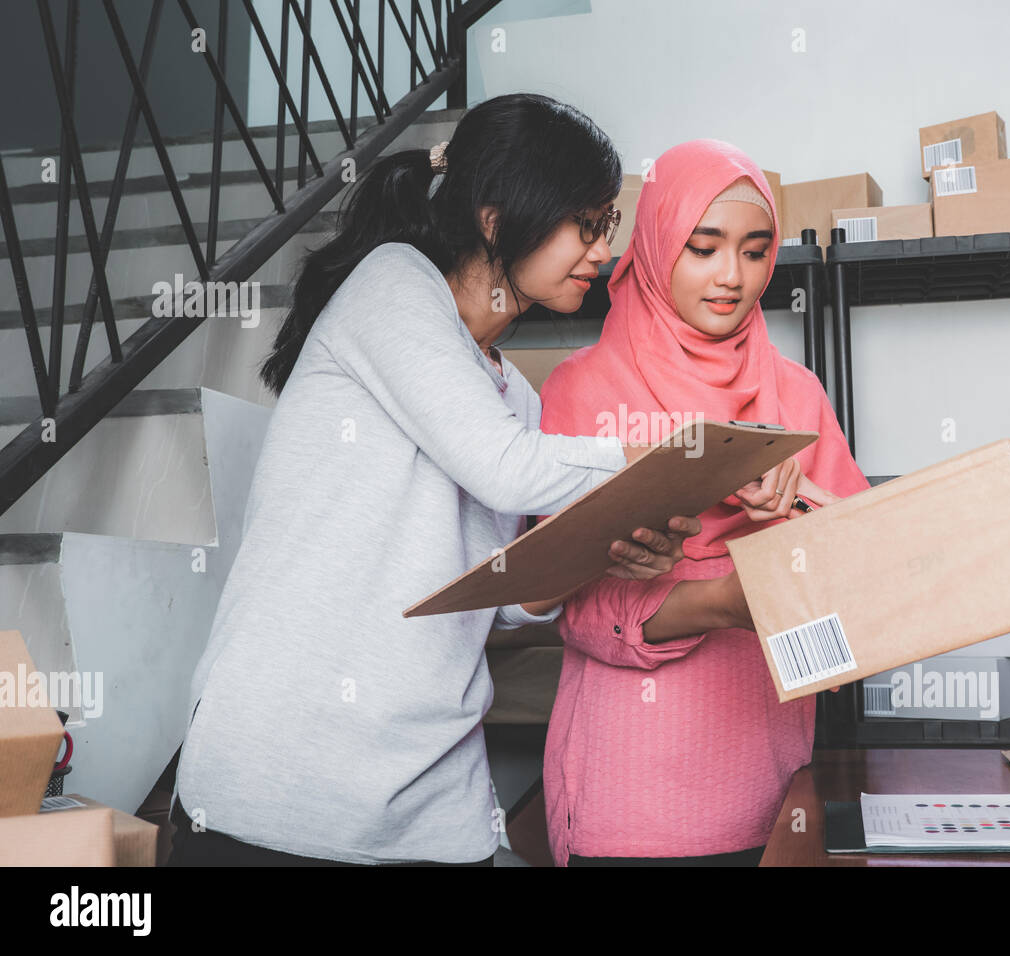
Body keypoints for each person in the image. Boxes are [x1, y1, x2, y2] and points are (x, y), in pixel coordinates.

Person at [166, 95, 746, 866]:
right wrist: (679, 459)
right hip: (279, 780)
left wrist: (601, 543)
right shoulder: (392, 285)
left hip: (432, 807)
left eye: (608, 225)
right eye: (585, 222)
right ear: (497, 219)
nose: (601, 251)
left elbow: (503, 600)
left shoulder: (517, 400)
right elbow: (504, 471)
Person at [538, 138, 871, 866]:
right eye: (704, 248)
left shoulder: (798, 394)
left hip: (773, 794)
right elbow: (574, 609)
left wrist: (795, 509)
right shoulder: (582, 390)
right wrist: (723, 597)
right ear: (657, 247)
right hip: (631, 806)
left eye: (756, 252)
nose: (733, 277)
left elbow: (865, 597)